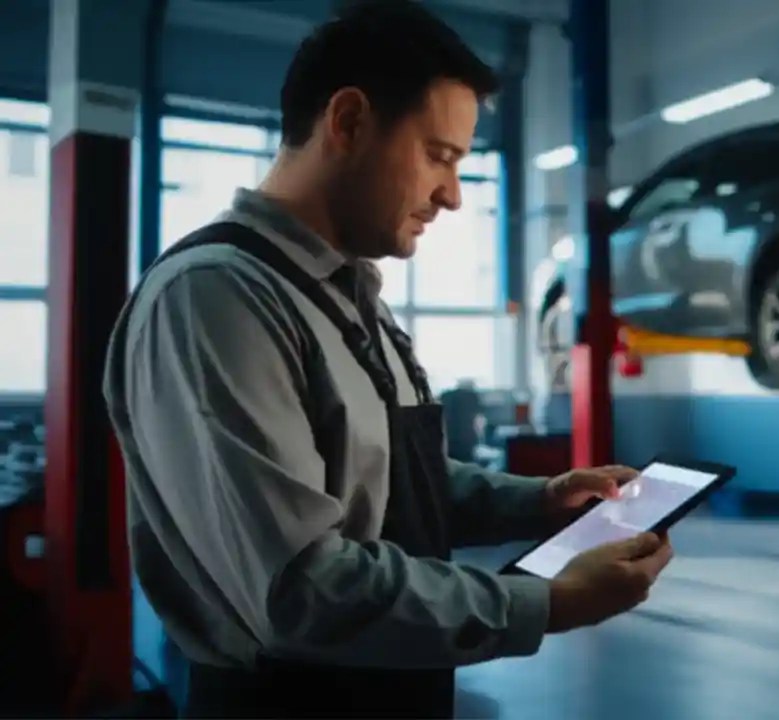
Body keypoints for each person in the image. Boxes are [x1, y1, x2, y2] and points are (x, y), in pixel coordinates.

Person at [100, 1, 674, 717]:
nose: (454, 196)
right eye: (440, 156)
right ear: (347, 122)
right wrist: (546, 603)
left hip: (395, 685)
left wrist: (539, 500)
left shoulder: (346, 294)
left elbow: (384, 481)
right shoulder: (215, 299)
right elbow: (300, 587)